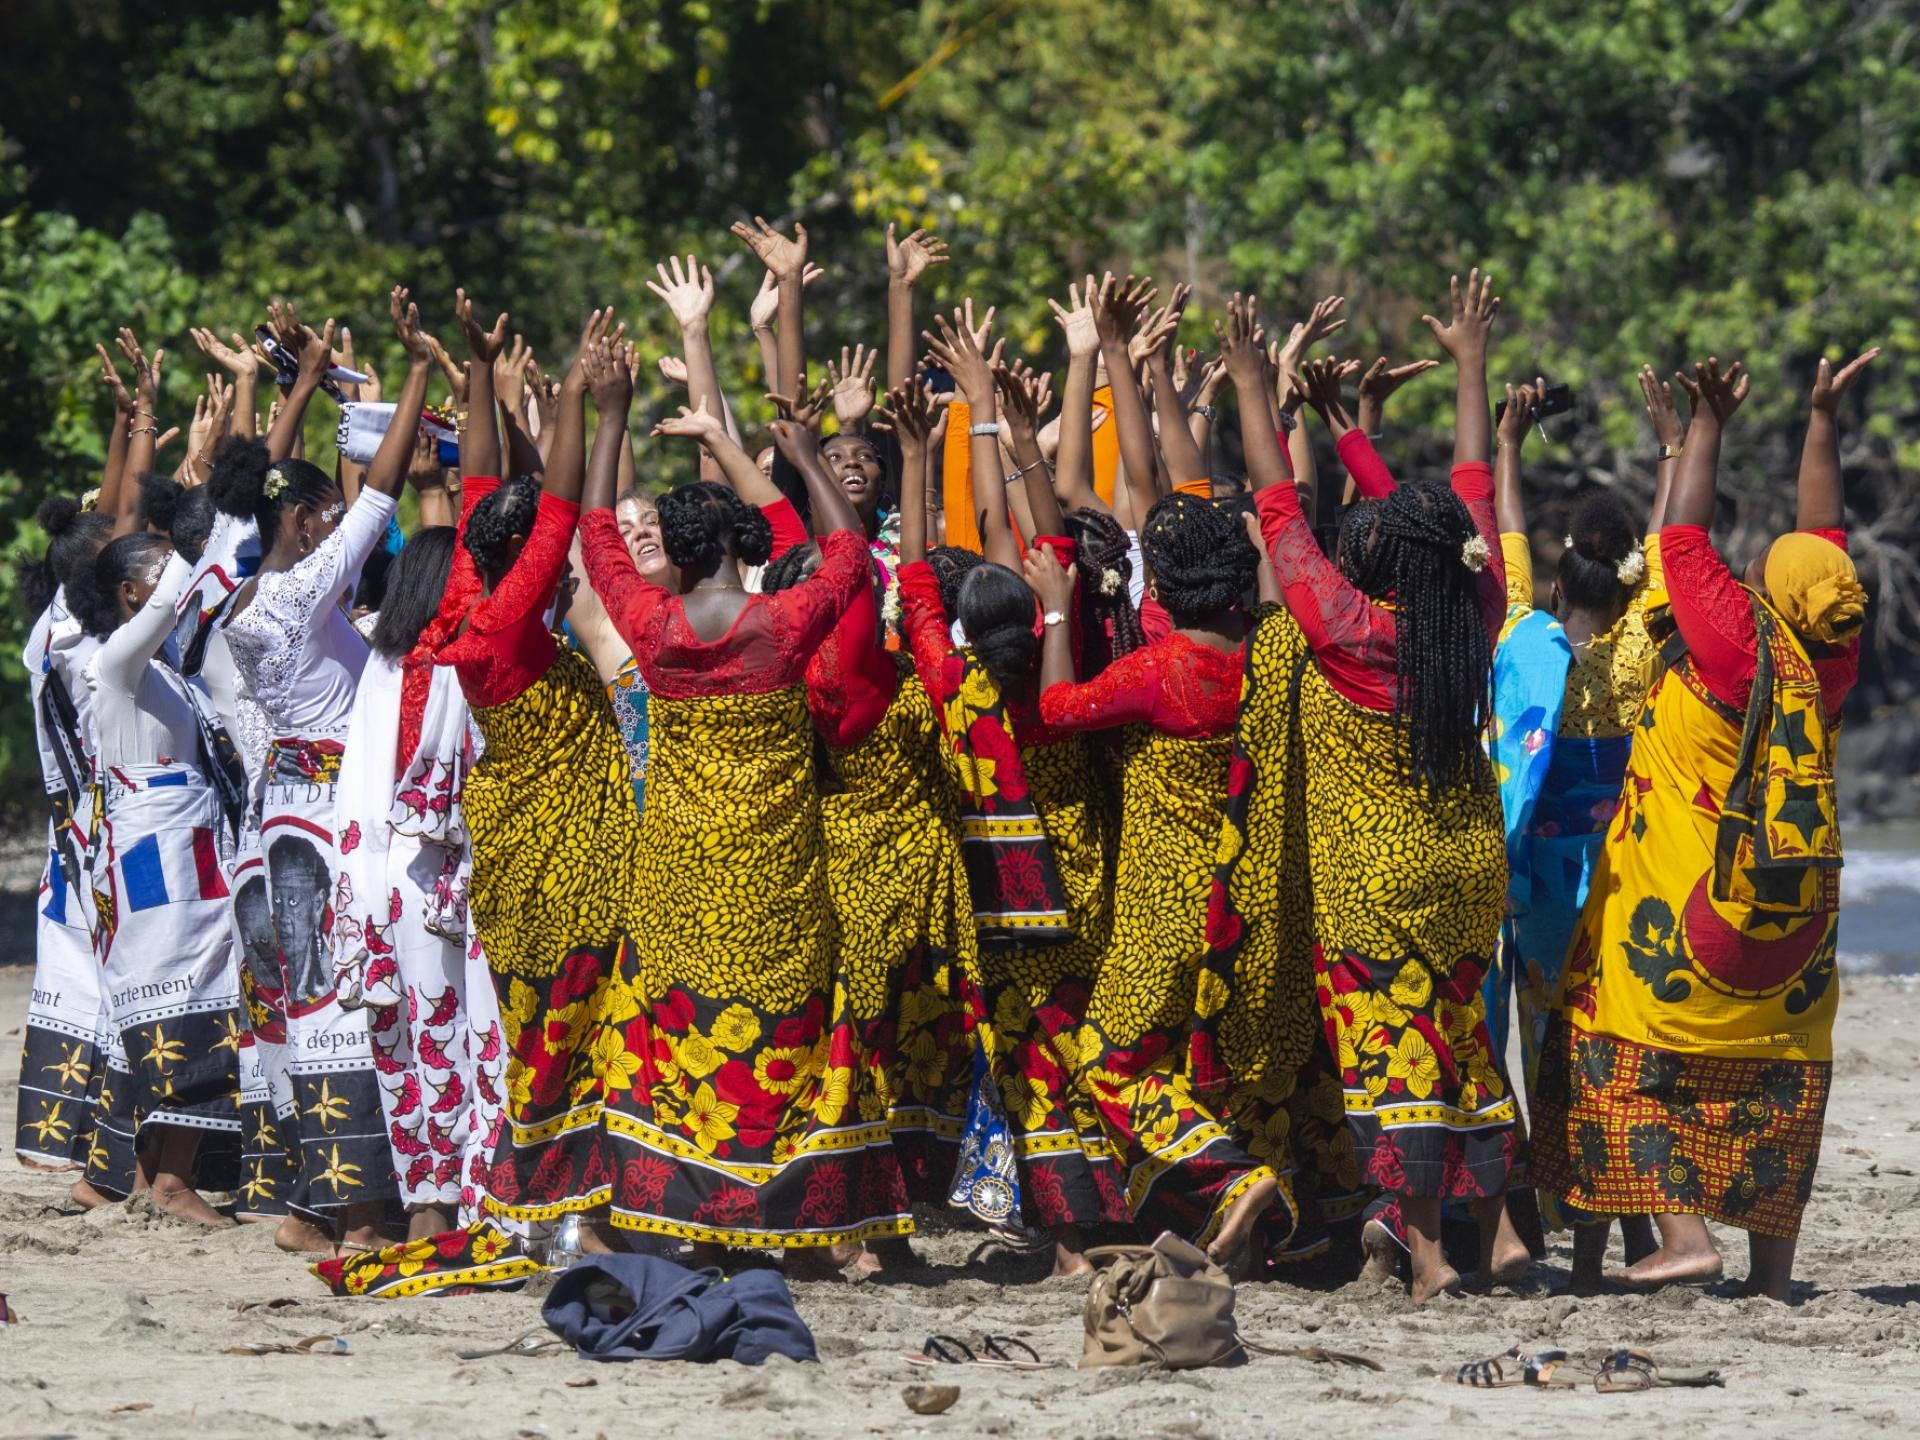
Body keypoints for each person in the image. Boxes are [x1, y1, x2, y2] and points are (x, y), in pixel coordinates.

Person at [1530, 349, 1875, 1303]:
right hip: (1792, 928)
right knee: (1777, 1082)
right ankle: (1773, 1273)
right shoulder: (1833, 659)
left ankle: (1684, 1240)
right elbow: (1827, 537)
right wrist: (1819, 423)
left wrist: (1707, 424)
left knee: (1614, 1062)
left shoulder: (1733, 643)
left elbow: (1681, 536)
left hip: (1686, 909)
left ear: (1776, 588)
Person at [577, 335, 914, 1269]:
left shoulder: (652, 628)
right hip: (781, 881)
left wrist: (610, 415)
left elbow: (601, 536)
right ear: (741, 547)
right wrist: (800, 454)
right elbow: (847, 550)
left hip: (680, 877)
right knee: (792, 1035)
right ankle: (796, 1215)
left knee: (675, 1033)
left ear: (677, 553)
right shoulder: (786, 623)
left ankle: (683, 1213)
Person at [1231, 278, 1523, 1301]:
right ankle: (1503, 1242)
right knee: (1463, 1045)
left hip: (1377, 881)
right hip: (1467, 864)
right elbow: (1465, 496)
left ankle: (1433, 1259)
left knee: (1392, 1065)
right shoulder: (1476, 609)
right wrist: (1467, 365)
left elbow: (1277, 511)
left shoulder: (1353, 633)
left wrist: (1248, 386)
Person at [414, 298, 641, 1246]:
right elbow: (564, 512)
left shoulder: (469, 595)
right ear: (525, 565)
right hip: (564, 845)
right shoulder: (506, 619)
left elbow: (480, 495)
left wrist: (475, 372)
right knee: (575, 1019)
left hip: (518, 839)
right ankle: (563, 1212)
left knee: (545, 1016)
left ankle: (558, 1200)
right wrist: (591, 401)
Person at [210, 291, 429, 1252]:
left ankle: (314, 1204)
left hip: (280, 809)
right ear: (303, 520)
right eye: (325, 514)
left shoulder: (244, 590)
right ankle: (362, 1212)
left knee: (309, 993)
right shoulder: (298, 592)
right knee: (345, 991)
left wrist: (309, 384)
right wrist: (420, 370)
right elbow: (380, 496)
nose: (343, 523)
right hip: (332, 808)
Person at [1027, 493, 1287, 1269]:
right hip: (1249, 899)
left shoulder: (1165, 669)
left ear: (1164, 590)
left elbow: (1056, 707)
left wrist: (1056, 615)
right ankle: (1224, 1227)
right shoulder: (1272, 655)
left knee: (1108, 1059)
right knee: (1190, 1067)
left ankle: (1234, 1181)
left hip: (1163, 907)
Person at [1483, 370, 1676, 1283]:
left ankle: (1542, 1212)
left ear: (1565, 573)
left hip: (1537, 883)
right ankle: (1634, 1229)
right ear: (1634, 576)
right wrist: (1674, 447)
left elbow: (1503, 533)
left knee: (1541, 1048)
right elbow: (1680, 547)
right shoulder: (1645, 646)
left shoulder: (1524, 633)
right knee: (1616, 1047)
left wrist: (1510, 443)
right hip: (1624, 872)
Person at [66, 527, 247, 1226]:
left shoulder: (163, 670)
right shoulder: (115, 663)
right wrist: (216, 531)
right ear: (128, 593)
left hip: (184, 858)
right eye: (159, 566)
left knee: (203, 1006)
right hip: (154, 868)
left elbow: (181, 595)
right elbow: (180, 592)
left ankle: (154, 1178)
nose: (176, 573)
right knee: (183, 1010)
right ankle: (170, 1182)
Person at [334, 525, 480, 1241]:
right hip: (448, 867)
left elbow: (359, 784)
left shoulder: (383, 667)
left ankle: (426, 1199)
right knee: (456, 1031)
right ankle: (463, 1197)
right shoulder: (457, 663)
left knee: (401, 1036)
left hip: (381, 872)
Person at [15, 498, 114, 1180]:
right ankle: (79, 1145)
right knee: (98, 985)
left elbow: (107, 531)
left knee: (74, 980)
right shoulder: (84, 644)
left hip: (70, 835)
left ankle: (53, 1141)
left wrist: (131, 426)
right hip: (91, 834)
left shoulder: (52, 628)